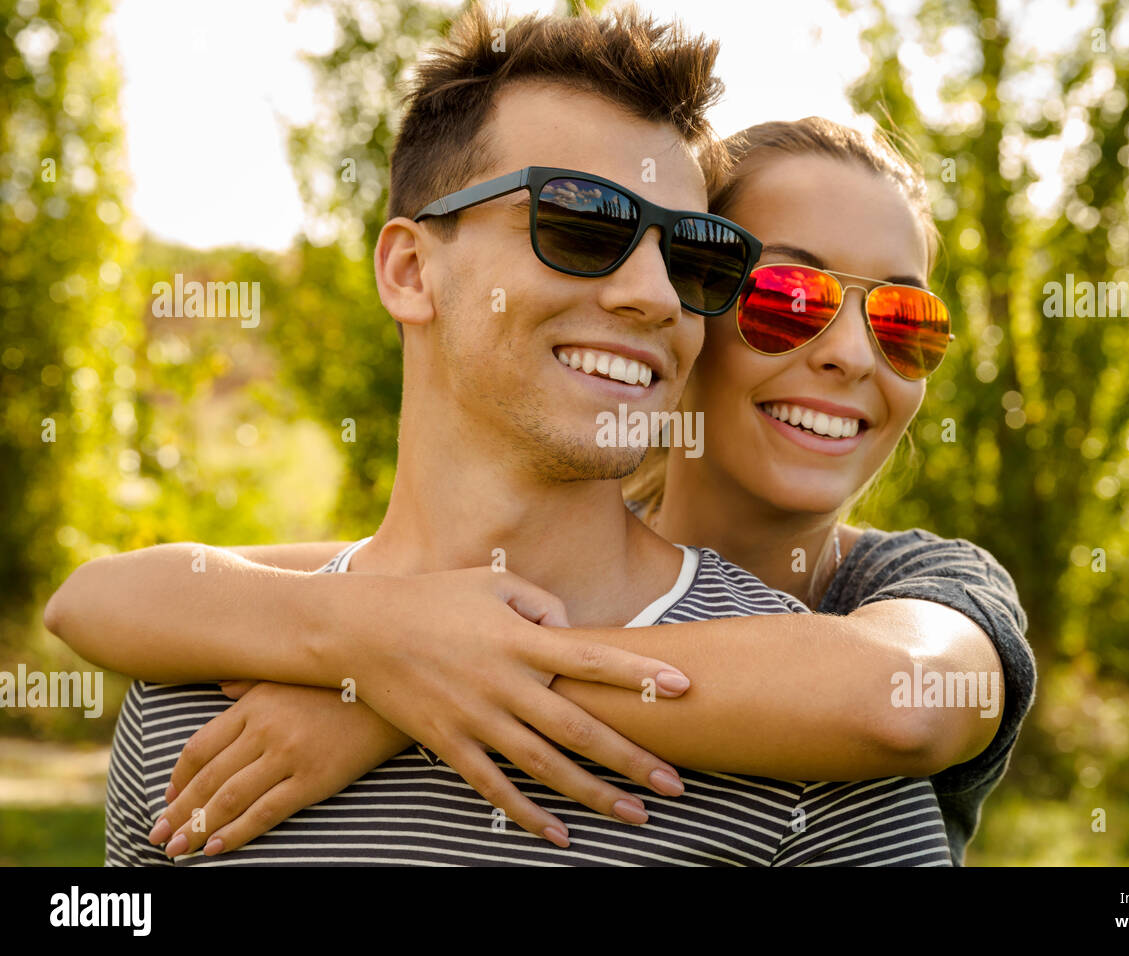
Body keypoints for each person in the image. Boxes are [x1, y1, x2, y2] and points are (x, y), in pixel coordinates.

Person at [53, 5, 959, 867]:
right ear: (411, 270)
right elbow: (98, 598)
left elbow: (902, 700)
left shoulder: (814, 744)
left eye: (693, 257)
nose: (652, 293)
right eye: (579, 222)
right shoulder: (193, 704)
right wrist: (370, 643)